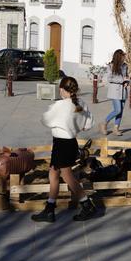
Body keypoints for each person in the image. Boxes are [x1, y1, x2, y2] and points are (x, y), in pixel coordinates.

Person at [32, 76, 97, 222]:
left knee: (67, 176)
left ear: (61, 89)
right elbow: (88, 124)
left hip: (61, 144)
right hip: (70, 142)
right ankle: (50, 209)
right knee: (53, 174)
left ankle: (87, 205)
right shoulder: (81, 103)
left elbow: (45, 120)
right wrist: (76, 126)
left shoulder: (59, 105)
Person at [101, 49, 129, 136]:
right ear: (118, 57)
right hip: (114, 91)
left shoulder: (125, 66)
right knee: (117, 110)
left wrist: (127, 82)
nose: (124, 58)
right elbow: (110, 78)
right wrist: (122, 80)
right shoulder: (110, 66)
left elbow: (126, 76)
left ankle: (116, 128)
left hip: (123, 91)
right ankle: (104, 123)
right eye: (123, 56)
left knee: (121, 111)